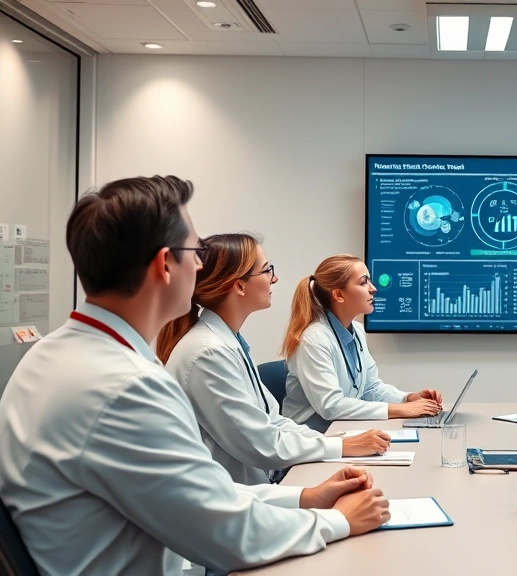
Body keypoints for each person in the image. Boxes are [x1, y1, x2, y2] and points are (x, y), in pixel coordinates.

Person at [0, 176, 390, 576]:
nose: (201, 264)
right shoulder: (125, 387)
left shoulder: (53, 355)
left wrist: (306, 496)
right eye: (195, 251)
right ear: (164, 265)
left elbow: (198, 495)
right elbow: (226, 532)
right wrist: (341, 520)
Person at [156, 233, 391, 485]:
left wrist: (340, 442)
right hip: (231, 499)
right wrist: (340, 445)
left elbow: (274, 421)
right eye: (267, 270)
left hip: (253, 488)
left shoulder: (227, 342)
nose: (274, 278)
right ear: (239, 285)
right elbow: (262, 445)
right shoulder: (208, 353)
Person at [281, 254, 443, 431]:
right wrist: (400, 410)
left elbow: (369, 387)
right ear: (338, 294)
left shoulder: (357, 330)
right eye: (363, 282)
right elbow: (331, 406)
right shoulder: (314, 338)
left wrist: (407, 398)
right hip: (312, 435)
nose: (373, 289)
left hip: (343, 428)